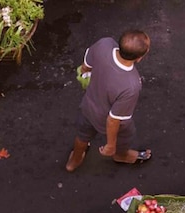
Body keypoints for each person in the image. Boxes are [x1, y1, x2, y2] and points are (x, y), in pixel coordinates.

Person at [65, 30, 152, 172]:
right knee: (125, 135)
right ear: (139, 58)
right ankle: (121, 155)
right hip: (105, 117)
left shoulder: (104, 44)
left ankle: (73, 161)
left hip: (88, 107)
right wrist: (110, 145)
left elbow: (86, 66)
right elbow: (113, 120)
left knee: (82, 136)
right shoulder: (131, 85)